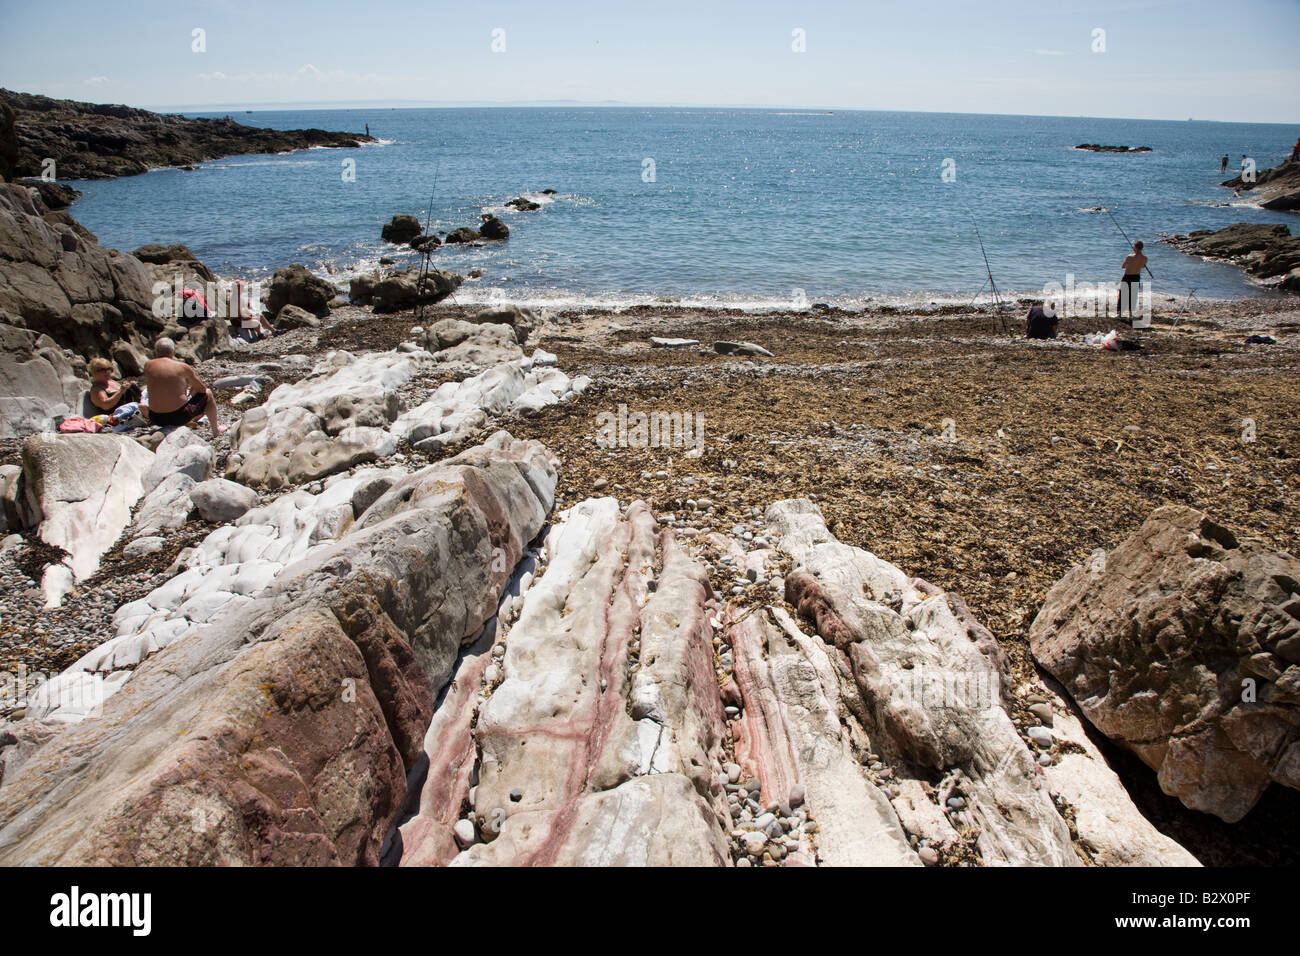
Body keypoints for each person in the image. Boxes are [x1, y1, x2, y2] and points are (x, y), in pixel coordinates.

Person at [141, 337, 223, 437]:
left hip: (155, 417)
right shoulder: (182, 367)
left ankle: (193, 420)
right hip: (178, 417)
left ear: (156, 351)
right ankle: (216, 430)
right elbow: (202, 389)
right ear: (173, 351)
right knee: (208, 393)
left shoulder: (148, 365)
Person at [1116, 241, 1148, 323]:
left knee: (1122, 295)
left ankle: (1119, 314)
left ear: (1135, 248)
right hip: (1136, 277)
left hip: (1127, 277)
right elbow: (1142, 266)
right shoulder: (1145, 258)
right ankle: (1130, 314)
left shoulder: (1129, 257)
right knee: (1132, 296)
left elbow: (1123, 266)